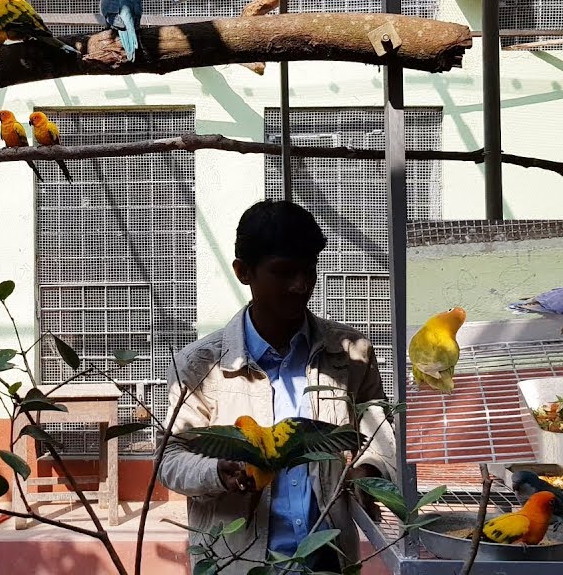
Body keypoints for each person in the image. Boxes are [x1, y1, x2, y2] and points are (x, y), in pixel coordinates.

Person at [158, 201, 398, 575]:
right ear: (243, 272)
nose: (301, 285)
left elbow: (381, 434)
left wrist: (369, 474)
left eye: (309, 270)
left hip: (328, 557)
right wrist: (219, 472)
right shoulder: (199, 366)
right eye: (284, 272)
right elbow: (170, 461)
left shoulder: (349, 354)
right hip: (238, 561)